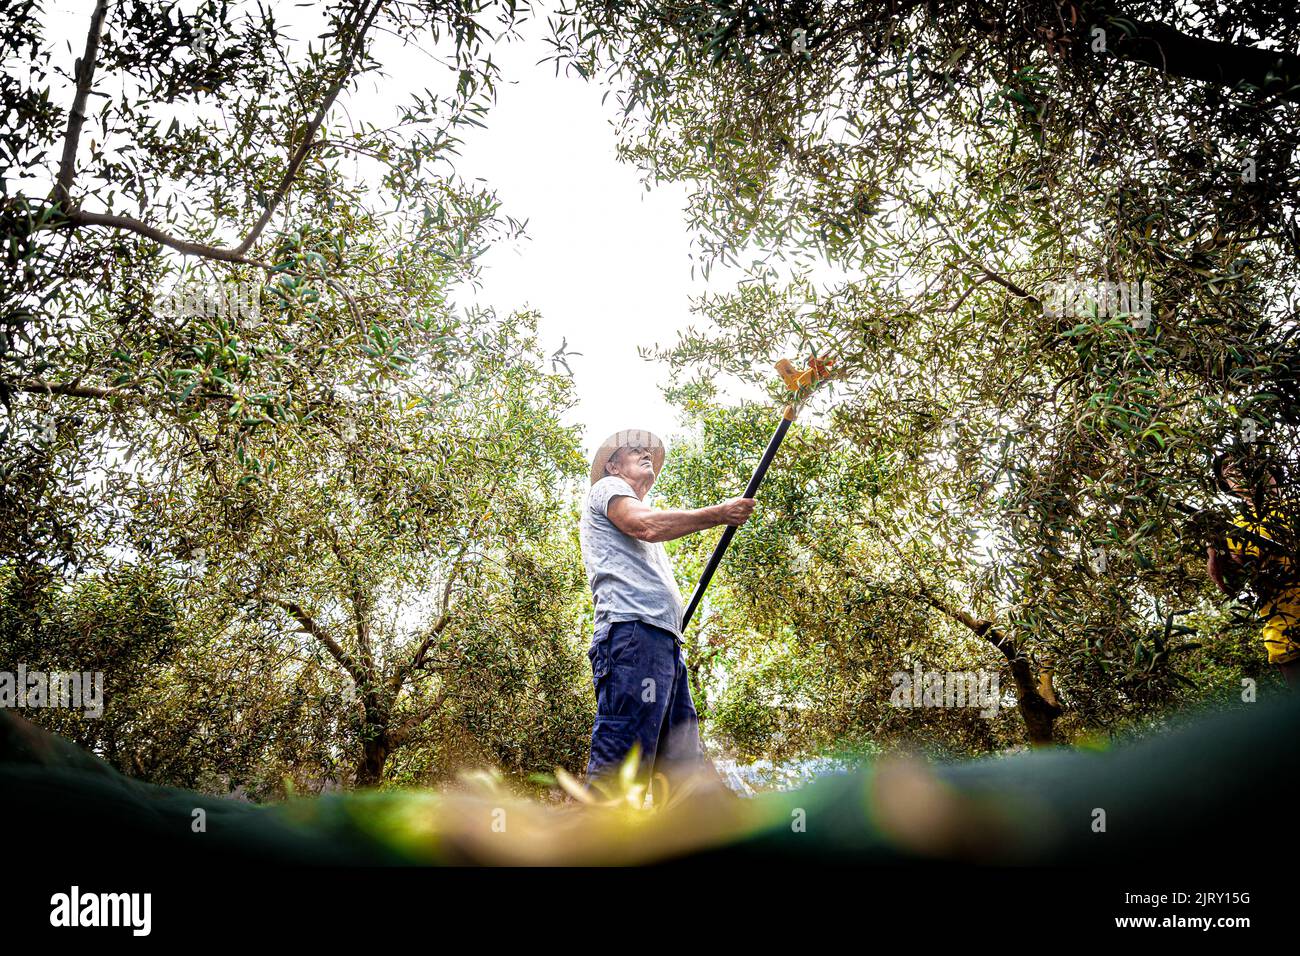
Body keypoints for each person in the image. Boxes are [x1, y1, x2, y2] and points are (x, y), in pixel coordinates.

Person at [578, 428, 755, 789]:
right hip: (633, 636)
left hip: (661, 644)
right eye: (634, 450)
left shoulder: (637, 511)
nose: (646, 453)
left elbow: (648, 525)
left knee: (682, 767)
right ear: (612, 466)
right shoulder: (609, 490)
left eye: (648, 451)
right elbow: (644, 525)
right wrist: (719, 513)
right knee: (624, 759)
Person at [1205, 452, 1299, 688]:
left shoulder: (1296, 505)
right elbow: (1231, 586)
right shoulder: (1236, 530)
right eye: (1232, 473)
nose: (1242, 474)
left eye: (1246, 466)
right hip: (1290, 639)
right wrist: (1215, 555)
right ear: (1228, 486)